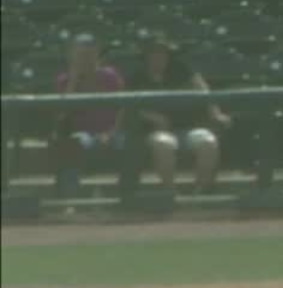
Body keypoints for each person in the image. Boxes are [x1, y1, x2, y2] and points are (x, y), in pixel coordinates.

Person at [127, 35, 230, 194]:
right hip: (155, 132)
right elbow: (130, 107)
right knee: (164, 145)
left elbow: (204, 91)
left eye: (162, 53)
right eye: (153, 53)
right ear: (146, 56)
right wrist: (153, 117)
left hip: (187, 128)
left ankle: (201, 191)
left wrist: (216, 113)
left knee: (208, 142)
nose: (158, 57)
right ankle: (170, 192)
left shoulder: (181, 70)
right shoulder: (137, 77)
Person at [51, 33, 124, 196]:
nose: (86, 59)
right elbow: (62, 113)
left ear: (97, 55)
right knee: (71, 144)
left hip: (111, 131)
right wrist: (74, 81)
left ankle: (127, 196)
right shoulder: (65, 80)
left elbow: (124, 108)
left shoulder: (109, 76)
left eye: (90, 55)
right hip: (81, 134)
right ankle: (71, 199)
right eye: (82, 55)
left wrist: (112, 132)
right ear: (72, 56)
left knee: (129, 144)